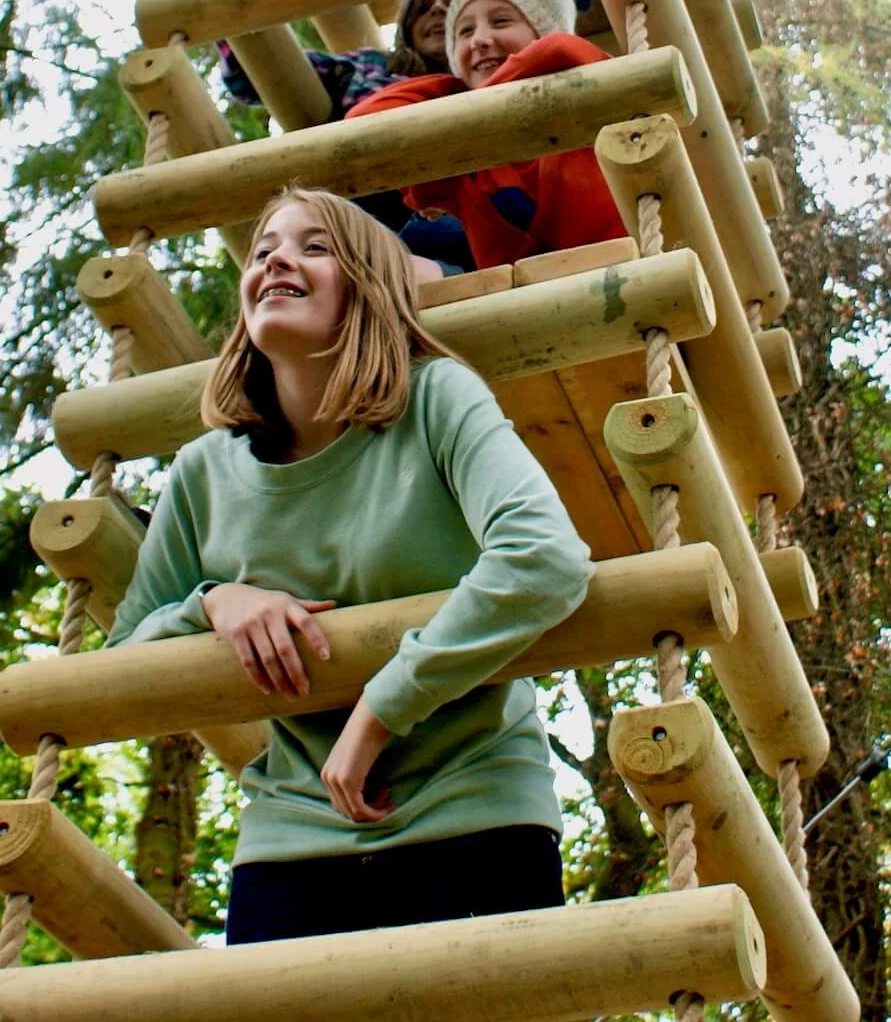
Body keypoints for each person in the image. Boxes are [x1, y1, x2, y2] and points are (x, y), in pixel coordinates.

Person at [108, 187, 593, 943]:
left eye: (314, 246)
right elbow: (122, 663)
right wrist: (214, 602)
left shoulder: (438, 399)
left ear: (367, 285)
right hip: (291, 838)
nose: (276, 259)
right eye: (265, 246)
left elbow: (545, 556)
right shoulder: (203, 471)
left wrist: (381, 708)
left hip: (475, 806)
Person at [347, 0, 630, 270]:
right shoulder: (463, 159)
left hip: (629, 274)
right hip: (541, 306)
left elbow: (559, 47)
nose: (479, 40)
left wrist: (476, 93)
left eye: (501, 21)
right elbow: (363, 118)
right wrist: (456, 85)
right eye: (464, 32)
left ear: (542, 30)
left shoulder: (585, 89)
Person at [218, 0, 475, 274]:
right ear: (407, 25)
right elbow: (249, 74)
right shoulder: (373, 68)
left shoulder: (489, 78)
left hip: (465, 221)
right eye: (423, 7)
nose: (437, 10)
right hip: (377, 210)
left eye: (451, 2)